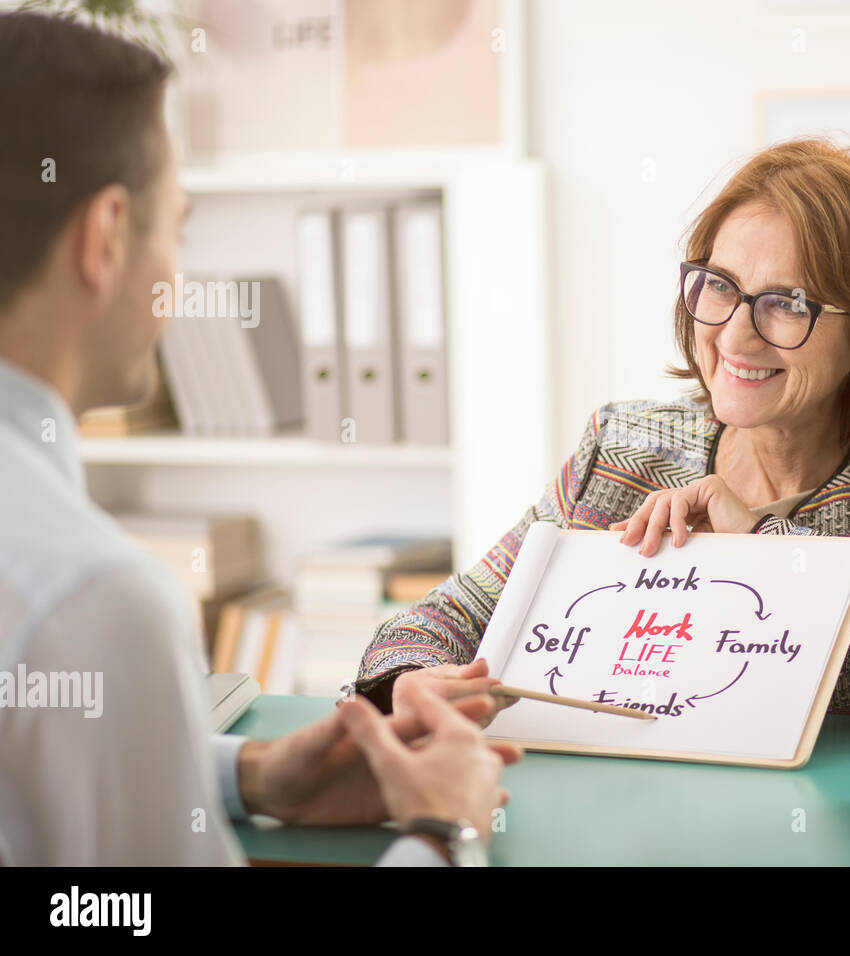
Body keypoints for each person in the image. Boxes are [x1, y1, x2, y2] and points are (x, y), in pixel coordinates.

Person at [0, 9, 519, 867]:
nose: (179, 273)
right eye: (178, 226)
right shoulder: (91, 600)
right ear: (104, 238)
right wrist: (441, 831)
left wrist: (252, 773)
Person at [354, 139, 850, 717]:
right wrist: (409, 682)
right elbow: (442, 619)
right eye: (720, 286)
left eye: (788, 304)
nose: (734, 335)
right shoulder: (620, 449)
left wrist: (760, 543)